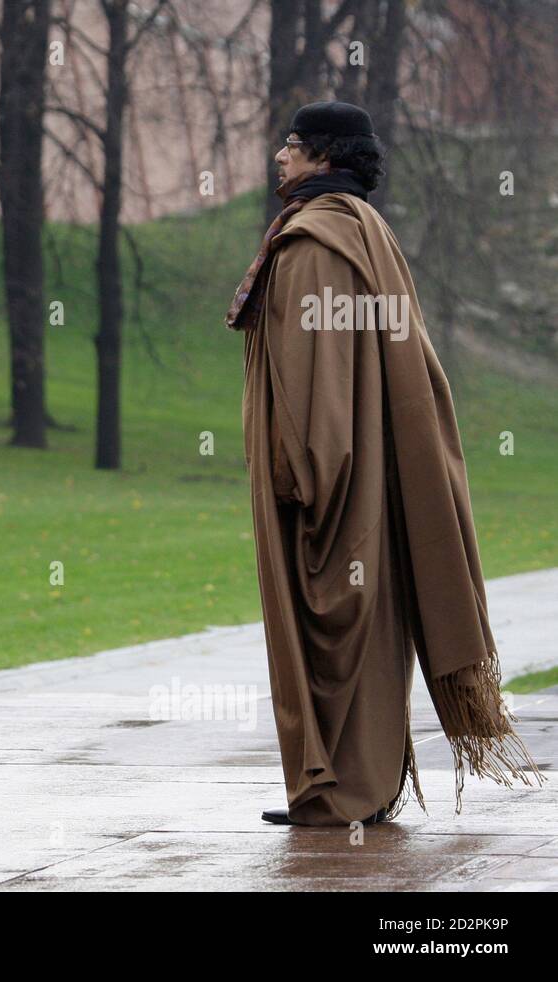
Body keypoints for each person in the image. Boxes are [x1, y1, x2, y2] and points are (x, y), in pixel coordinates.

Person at [227, 100, 541, 826]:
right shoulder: (367, 230)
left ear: (325, 156)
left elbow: (316, 378)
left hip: (332, 477)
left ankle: (338, 792)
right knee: (366, 626)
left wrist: (304, 476)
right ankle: (356, 790)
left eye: (293, 143)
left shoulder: (312, 243)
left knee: (330, 628)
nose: (280, 155)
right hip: (373, 466)